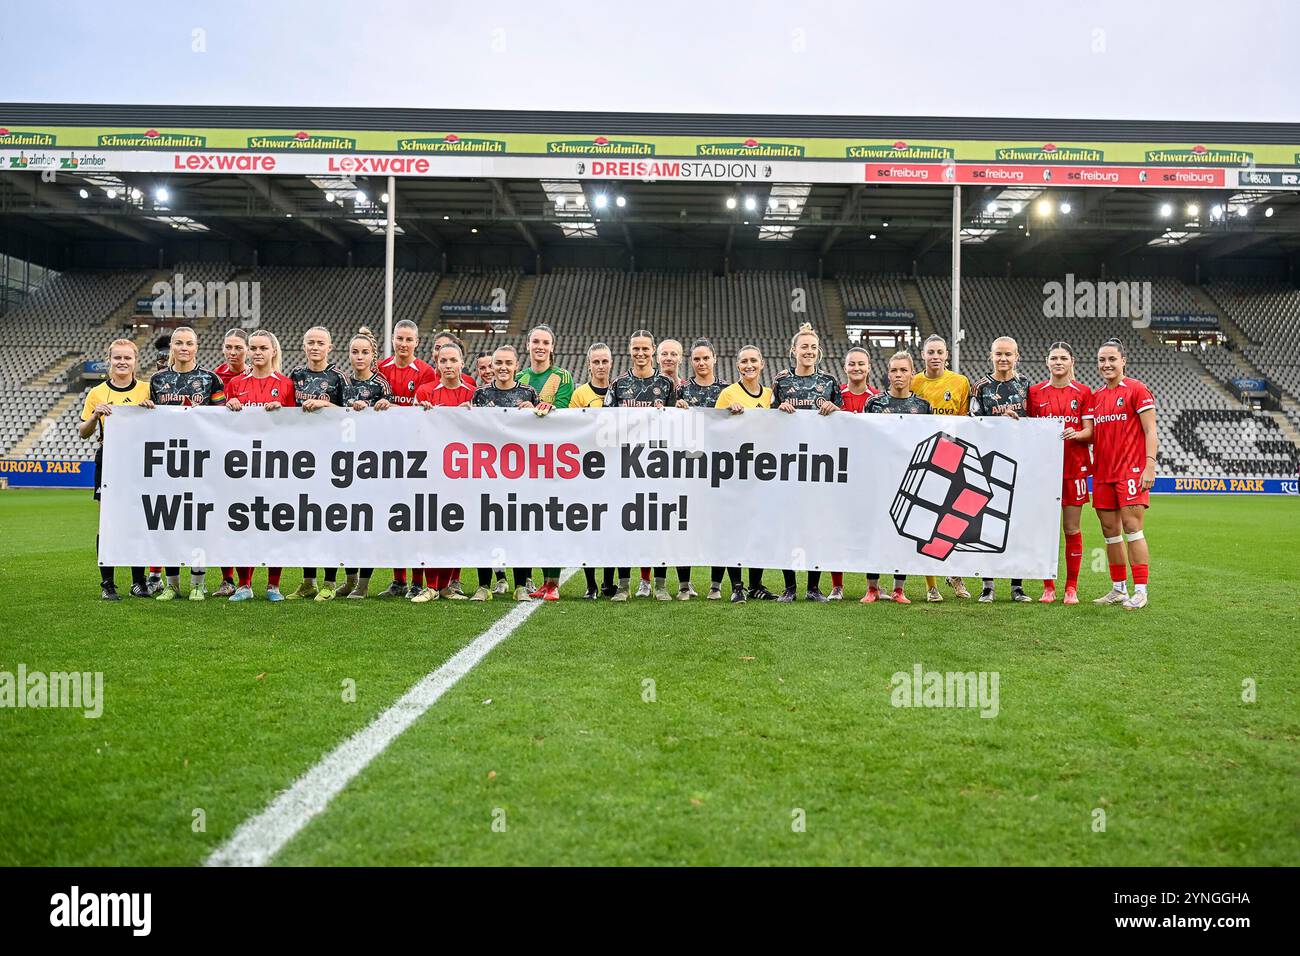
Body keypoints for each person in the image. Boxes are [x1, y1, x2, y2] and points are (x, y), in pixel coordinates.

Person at [140, 325, 225, 601]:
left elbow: (223, 420)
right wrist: (146, 411)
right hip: (168, 462)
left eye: (189, 343)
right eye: (179, 343)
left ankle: (198, 582)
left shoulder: (211, 380)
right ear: (172, 347)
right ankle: (172, 584)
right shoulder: (157, 380)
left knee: (198, 524)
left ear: (197, 347)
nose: (184, 348)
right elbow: (148, 423)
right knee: (170, 523)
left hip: (202, 463)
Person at [1077, 339, 1157, 610]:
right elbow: (1089, 435)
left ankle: (1141, 591)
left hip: (1131, 472)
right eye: (1102, 360)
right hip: (1102, 473)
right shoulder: (1096, 398)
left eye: (1112, 359)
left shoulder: (1137, 389)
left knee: (1133, 529)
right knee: (1110, 532)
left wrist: (1149, 465)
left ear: (1123, 360)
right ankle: (1118, 588)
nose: (1106, 364)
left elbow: (1150, 431)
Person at [224, 329, 296, 602]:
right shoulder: (235, 384)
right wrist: (228, 407)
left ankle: (273, 586)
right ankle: (244, 584)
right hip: (243, 466)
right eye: (252, 348)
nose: (256, 353)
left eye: (262, 348)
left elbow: (295, 427)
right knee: (244, 524)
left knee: (275, 525)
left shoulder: (286, 385)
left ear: (273, 351)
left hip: (277, 466)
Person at [772, 323, 842, 603]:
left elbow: (842, 422)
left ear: (819, 351)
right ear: (793, 350)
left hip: (819, 465)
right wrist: (779, 409)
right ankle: (790, 587)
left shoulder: (829, 382)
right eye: (804, 347)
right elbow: (768, 418)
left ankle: (814, 587)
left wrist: (834, 409)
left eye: (813, 347)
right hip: (788, 464)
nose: (809, 351)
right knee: (788, 526)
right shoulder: (781, 381)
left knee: (816, 526)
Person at [606, 330, 677, 602]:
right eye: (636, 348)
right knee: (627, 525)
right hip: (627, 466)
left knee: (659, 528)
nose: (640, 353)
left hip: (659, 467)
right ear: (629, 350)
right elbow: (605, 423)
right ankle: (623, 586)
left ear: (653, 350)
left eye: (645, 349)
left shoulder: (667, 385)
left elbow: (677, 426)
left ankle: (659, 585)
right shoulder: (619, 385)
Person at [79, 339, 151, 600]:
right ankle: (108, 584)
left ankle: (138, 582)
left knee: (139, 520)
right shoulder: (96, 393)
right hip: (109, 458)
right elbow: (83, 433)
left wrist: (152, 410)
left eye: (127, 358)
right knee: (108, 522)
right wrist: (95, 416)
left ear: (135, 361)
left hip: (141, 460)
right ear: (109, 360)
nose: (122, 362)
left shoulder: (146, 389)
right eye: (117, 357)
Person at [472, 345, 542, 601]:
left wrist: (538, 412)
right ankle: (484, 585)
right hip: (488, 472)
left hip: (520, 473)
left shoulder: (528, 393)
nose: (502, 367)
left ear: (516, 365)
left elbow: (542, 426)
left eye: (507, 363)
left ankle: (521, 585)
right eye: (497, 363)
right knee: (486, 529)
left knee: (519, 529)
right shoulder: (480, 394)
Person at [862, 351, 932, 604]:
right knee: (877, 530)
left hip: (909, 479)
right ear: (888, 373)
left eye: (903, 370)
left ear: (912, 373)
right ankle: (872, 587)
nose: (898, 375)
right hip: (880, 477)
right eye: (894, 371)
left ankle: (898, 589)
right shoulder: (874, 403)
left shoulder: (923, 407)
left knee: (904, 531)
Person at [1026, 342, 1093, 605]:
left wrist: (1077, 434)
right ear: (1047, 362)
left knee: (1071, 528)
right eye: (1054, 358)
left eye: (1063, 358)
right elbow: (1027, 430)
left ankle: (1071, 588)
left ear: (1071, 361)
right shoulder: (1035, 393)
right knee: (1046, 529)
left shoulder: (1084, 392)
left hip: (1074, 468)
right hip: (1045, 471)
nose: (1058, 362)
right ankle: (1048, 587)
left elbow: (1090, 432)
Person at [286, 326, 349, 601]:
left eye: (320, 343)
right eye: (310, 342)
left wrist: (325, 406)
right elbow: (286, 410)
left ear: (329, 348)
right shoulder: (296, 376)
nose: (315, 347)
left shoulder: (338, 378)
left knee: (330, 521)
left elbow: (349, 413)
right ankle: (308, 581)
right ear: (303, 346)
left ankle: (329, 582)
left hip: (330, 459)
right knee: (306, 522)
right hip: (301, 459)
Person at [969, 336, 1032, 603]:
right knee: (987, 523)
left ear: (1017, 356)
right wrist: (998, 421)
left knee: (1016, 525)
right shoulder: (981, 387)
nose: (1003, 359)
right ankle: (988, 584)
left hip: (1019, 464)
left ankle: (1017, 586)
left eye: (1008, 354)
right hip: (988, 463)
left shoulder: (1027, 386)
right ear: (991, 356)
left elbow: (1036, 423)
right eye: (998, 354)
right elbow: (973, 422)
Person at [413, 341, 477, 603]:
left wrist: (473, 414)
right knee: (432, 528)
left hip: (462, 473)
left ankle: (448, 585)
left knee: (456, 528)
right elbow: (414, 430)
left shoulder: (473, 394)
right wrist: (421, 414)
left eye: (453, 360)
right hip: (432, 471)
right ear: (437, 363)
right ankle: (430, 585)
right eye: (443, 361)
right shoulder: (425, 391)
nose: (448, 365)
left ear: (462, 363)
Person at [376, 319, 436, 600]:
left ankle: (416, 581)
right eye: (399, 338)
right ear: (392, 339)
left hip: (417, 453)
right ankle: (398, 580)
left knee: (417, 520)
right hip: (387, 453)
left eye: (409, 340)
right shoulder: (381, 369)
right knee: (395, 520)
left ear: (416, 343)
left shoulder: (425, 372)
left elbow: (424, 408)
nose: (403, 344)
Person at [674, 338, 738, 601]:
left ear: (715, 359)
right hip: (688, 466)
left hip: (719, 468)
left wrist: (736, 411)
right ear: (691, 362)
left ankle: (716, 585)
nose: (701, 363)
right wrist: (674, 410)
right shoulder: (682, 390)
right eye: (696, 359)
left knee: (719, 526)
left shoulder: (728, 390)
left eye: (705, 358)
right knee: (684, 525)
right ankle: (684, 585)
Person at [910, 333, 972, 602]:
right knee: (926, 519)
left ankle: (955, 575)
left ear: (947, 354)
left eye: (939, 352)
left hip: (951, 457)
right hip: (922, 459)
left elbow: (966, 422)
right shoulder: (914, 383)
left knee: (953, 519)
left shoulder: (960, 383)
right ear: (923, 355)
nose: (935, 356)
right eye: (930, 352)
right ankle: (931, 584)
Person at [514, 324, 574, 601]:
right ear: (528, 345)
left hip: (555, 458)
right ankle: (543, 581)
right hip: (526, 459)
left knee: (554, 519)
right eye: (535, 341)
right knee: (533, 520)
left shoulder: (562, 376)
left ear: (552, 347)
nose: (540, 346)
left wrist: (543, 409)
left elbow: (563, 409)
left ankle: (554, 582)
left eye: (545, 342)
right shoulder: (521, 376)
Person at [334, 327, 392, 599]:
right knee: (344, 525)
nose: (359, 357)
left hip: (370, 463)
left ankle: (364, 583)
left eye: (364, 352)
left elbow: (392, 415)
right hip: (344, 461)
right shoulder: (342, 384)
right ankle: (350, 578)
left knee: (366, 524)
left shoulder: (380, 385)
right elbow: (333, 415)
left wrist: (377, 407)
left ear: (373, 356)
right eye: (355, 352)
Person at [716, 345, 777, 602]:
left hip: (761, 473)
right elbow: (714, 431)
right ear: (737, 365)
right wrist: (728, 417)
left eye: (753, 360)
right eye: (744, 361)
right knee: (734, 530)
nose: (749, 365)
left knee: (758, 530)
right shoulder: (728, 394)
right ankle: (737, 586)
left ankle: (756, 585)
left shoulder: (771, 396)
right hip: (734, 473)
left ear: (762, 364)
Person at [829, 347, 880, 599]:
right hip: (840, 471)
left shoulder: (878, 399)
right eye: (852, 364)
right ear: (845, 366)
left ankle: (873, 585)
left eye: (861, 363)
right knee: (837, 528)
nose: (857, 368)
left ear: (869, 367)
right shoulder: (836, 397)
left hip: (870, 474)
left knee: (871, 530)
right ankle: (837, 585)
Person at [571, 342, 618, 599]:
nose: (601, 366)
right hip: (587, 470)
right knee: (588, 528)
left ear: (611, 363)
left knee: (611, 528)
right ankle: (590, 584)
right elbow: (571, 429)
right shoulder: (579, 395)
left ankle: (609, 583)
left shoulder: (620, 391)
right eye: (596, 361)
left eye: (605, 361)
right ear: (589, 364)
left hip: (614, 469)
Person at [211, 328, 249, 596]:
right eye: (229, 347)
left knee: (247, 519)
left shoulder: (255, 374)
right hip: (222, 455)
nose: (233, 352)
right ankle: (227, 579)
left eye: (238, 347)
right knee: (224, 520)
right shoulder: (214, 377)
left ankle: (246, 581)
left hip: (253, 455)